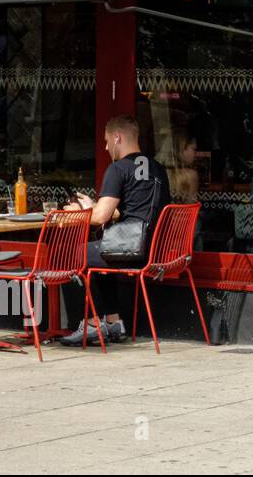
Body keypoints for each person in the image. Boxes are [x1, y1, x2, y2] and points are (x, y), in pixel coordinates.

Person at [60, 114, 171, 346]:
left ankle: (91, 324)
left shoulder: (118, 169)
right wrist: (96, 207)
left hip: (132, 250)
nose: (106, 146)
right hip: (156, 250)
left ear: (118, 137)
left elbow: (101, 217)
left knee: (71, 253)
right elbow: (135, 210)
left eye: (108, 140)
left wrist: (80, 211)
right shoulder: (158, 169)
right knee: (99, 254)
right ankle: (113, 321)